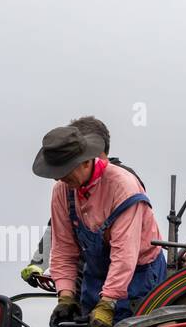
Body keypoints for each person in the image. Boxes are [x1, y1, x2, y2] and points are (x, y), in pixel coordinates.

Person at [32, 124, 166, 327]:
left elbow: (124, 256)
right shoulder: (62, 190)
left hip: (139, 277)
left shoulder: (123, 186)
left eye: (63, 171)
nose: (58, 179)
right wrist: (66, 297)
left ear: (86, 161)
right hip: (95, 276)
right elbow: (63, 249)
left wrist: (107, 305)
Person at [20, 116, 145, 290]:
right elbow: (56, 231)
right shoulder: (68, 186)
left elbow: (126, 250)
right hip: (83, 272)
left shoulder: (124, 181)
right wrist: (37, 263)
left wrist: (108, 300)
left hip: (127, 273)